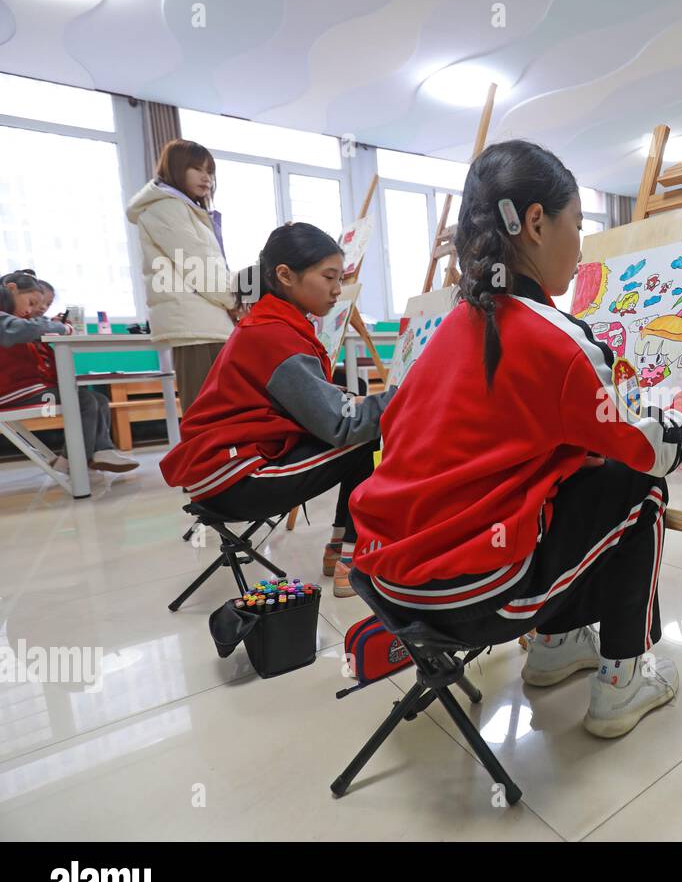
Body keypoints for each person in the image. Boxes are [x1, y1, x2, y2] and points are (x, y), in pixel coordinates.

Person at [349, 140, 682, 738]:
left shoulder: (451, 328)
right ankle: (621, 685)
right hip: (470, 596)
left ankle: (557, 645)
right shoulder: (554, 339)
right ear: (536, 223)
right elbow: (655, 450)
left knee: (575, 473)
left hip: (389, 585)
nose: (582, 245)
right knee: (636, 487)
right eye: (578, 224)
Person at [158, 224, 393, 597]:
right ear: (285, 275)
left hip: (223, 471)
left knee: (363, 422)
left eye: (340, 278)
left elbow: (312, 405)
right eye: (328, 277)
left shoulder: (273, 324)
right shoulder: (275, 336)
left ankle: (340, 552)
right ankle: (352, 561)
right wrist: (402, 395)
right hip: (234, 480)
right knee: (366, 434)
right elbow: (341, 425)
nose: (337, 290)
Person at [126, 138, 238, 410]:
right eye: (197, 169)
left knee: (215, 408)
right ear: (176, 169)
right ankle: (206, 455)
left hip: (205, 322)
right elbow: (199, 267)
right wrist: (237, 302)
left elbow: (210, 265)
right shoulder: (167, 207)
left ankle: (222, 454)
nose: (206, 178)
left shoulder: (185, 209)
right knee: (205, 411)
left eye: (210, 171)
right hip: (196, 325)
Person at [0, 271, 138, 474]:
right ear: (11, 289)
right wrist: (60, 328)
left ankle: (100, 451)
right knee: (85, 401)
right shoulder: (8, 322)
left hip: (23, 388)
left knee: (97, 398)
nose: (32, 310)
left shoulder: (14, 321)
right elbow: (23, 330)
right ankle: (72, 461)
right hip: (11, 391)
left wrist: (53, 326)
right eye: (30, 302)